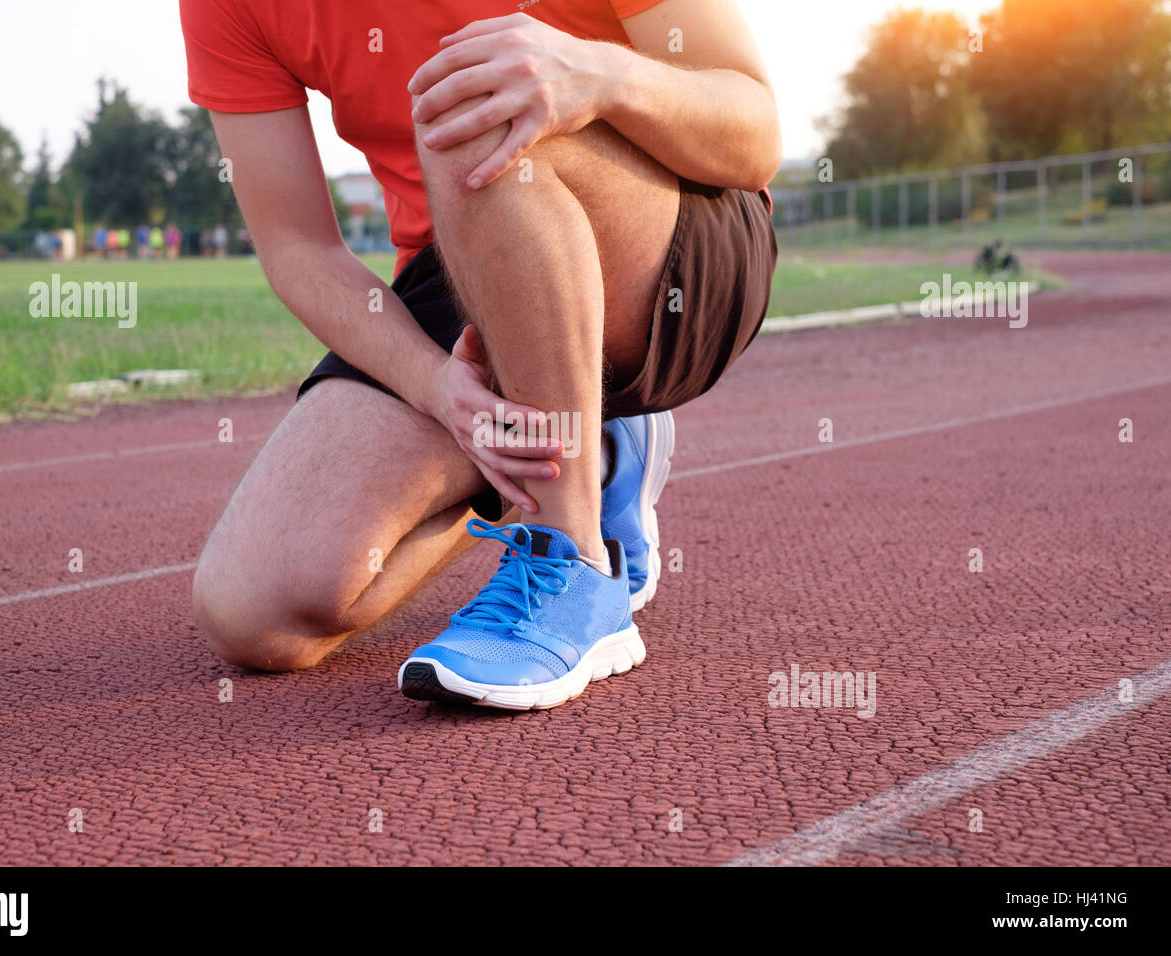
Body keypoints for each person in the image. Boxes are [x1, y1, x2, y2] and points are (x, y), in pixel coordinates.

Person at [180, 0, 779, 709]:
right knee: (255, 610)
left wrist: (601, 74)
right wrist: (437, 386)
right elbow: (296, 247)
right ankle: (598, 450)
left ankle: (576, 561)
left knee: (476, 92)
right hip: (467, 270)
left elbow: (755, 129)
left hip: (678, 240)